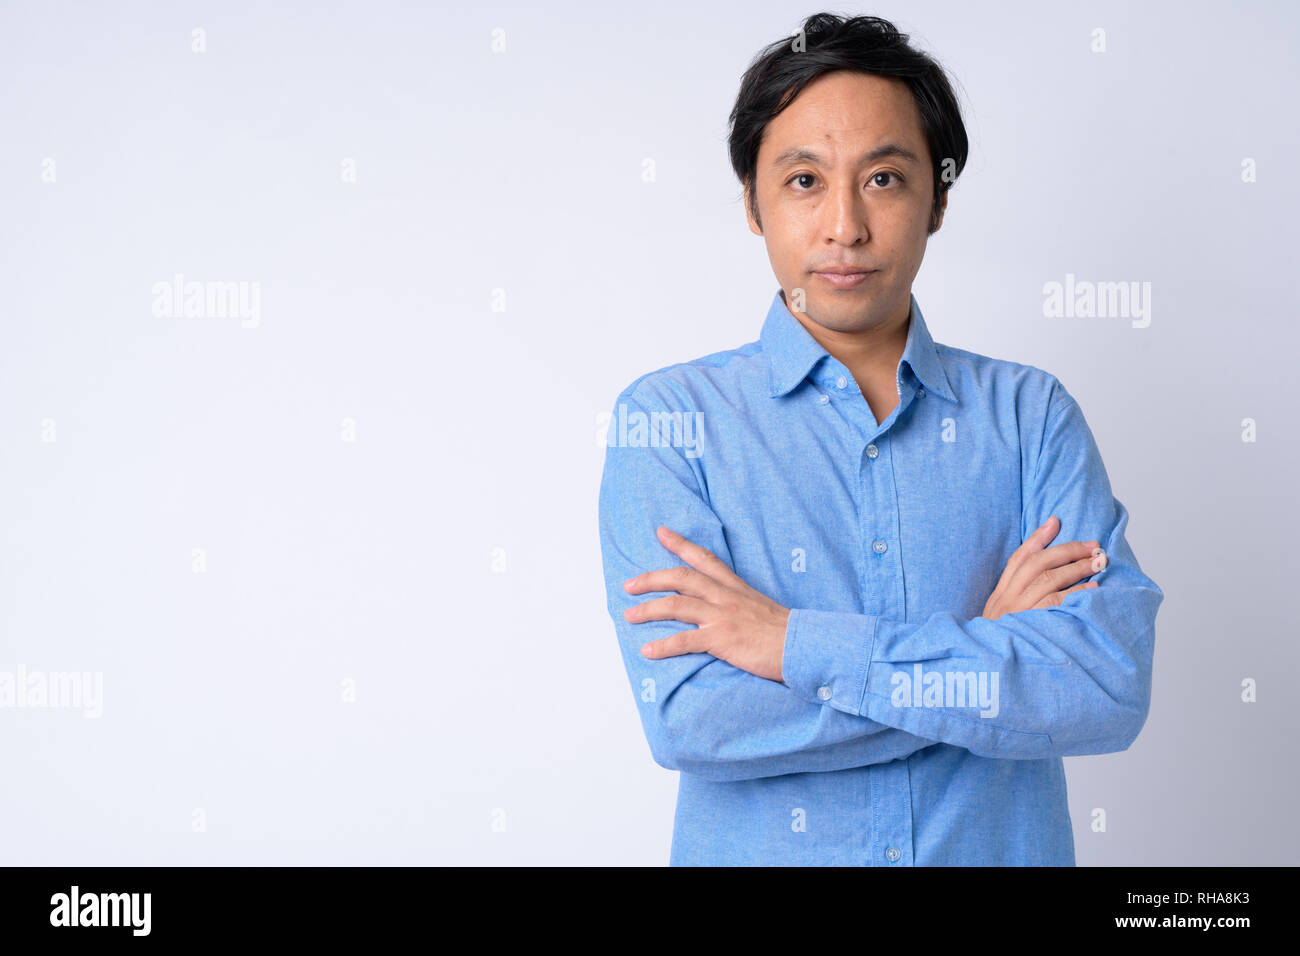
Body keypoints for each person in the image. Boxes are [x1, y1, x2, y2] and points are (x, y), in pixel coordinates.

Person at [597, 12, 1163, 866]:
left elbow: (1103, 685)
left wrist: (788, 645)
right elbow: (692, 718)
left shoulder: (1030, 417)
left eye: (886, 179)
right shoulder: (672, 427)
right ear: (752, 202)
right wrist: (982, 660)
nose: (845, 227)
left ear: (937, 199)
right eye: (803, 181)